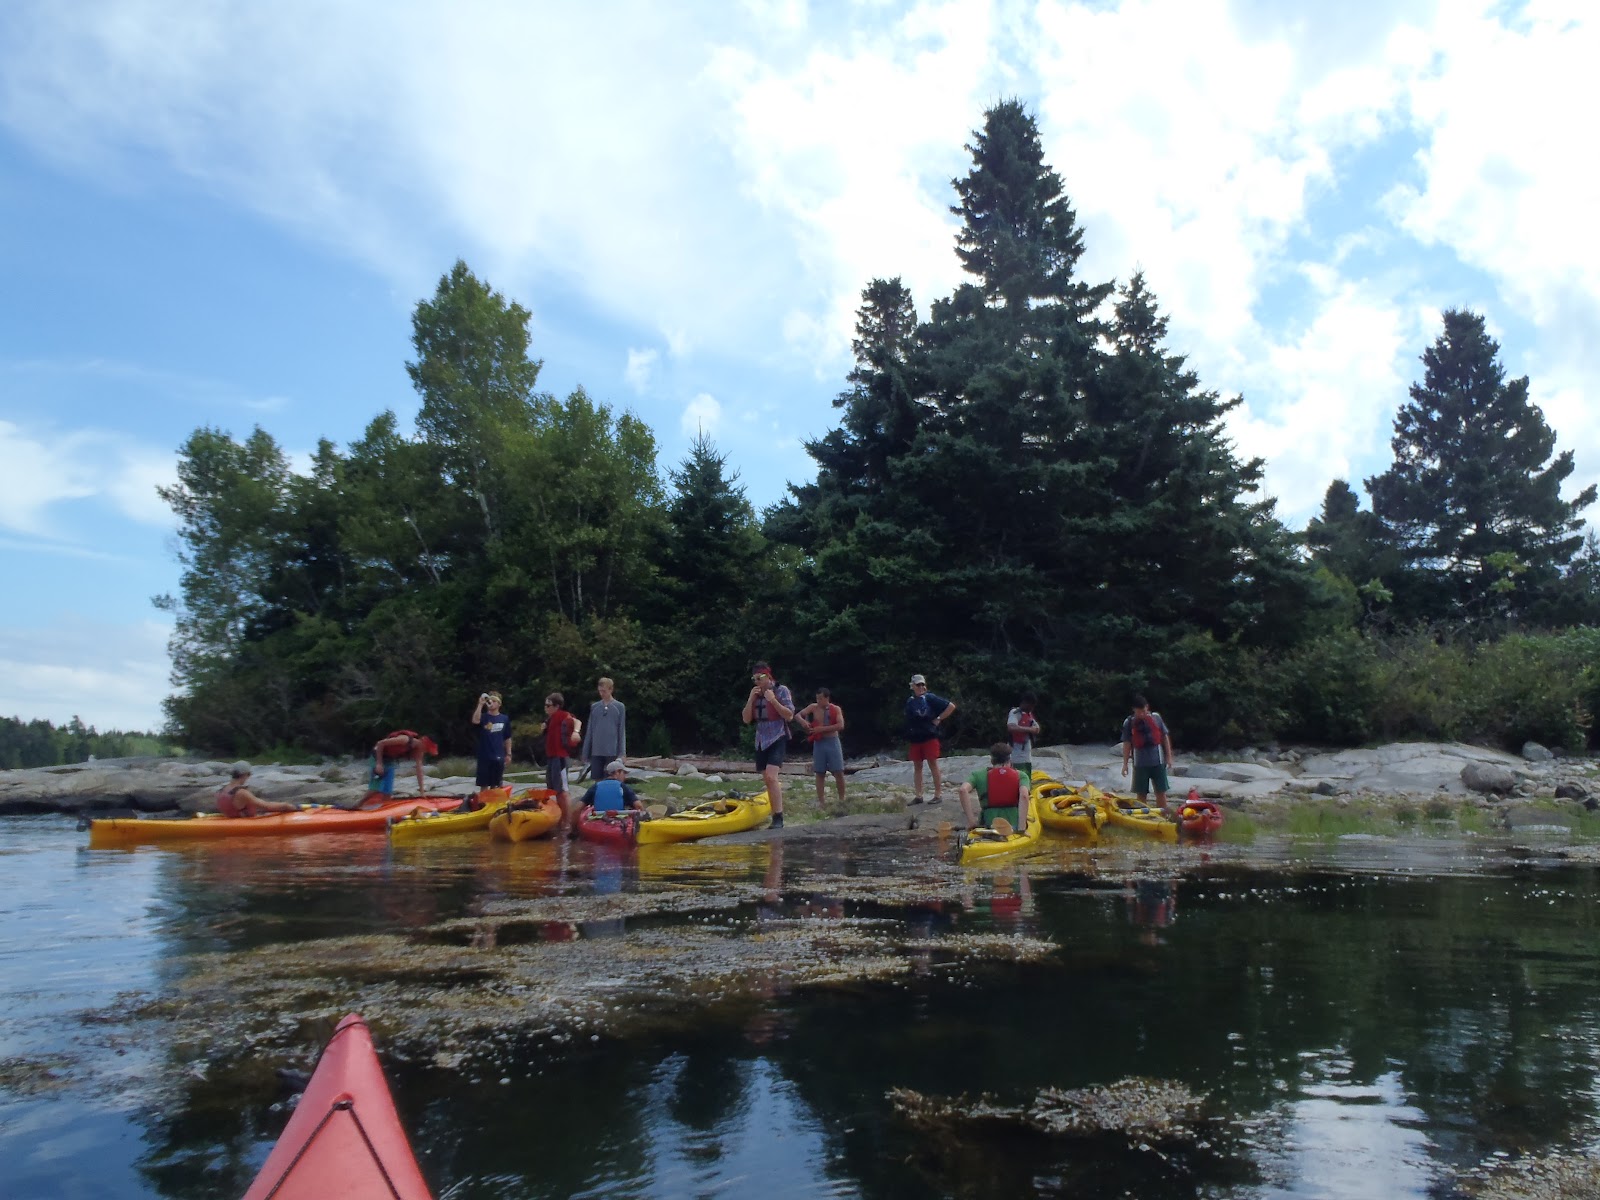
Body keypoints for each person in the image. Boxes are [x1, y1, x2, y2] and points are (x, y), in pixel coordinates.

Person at [741, 662, 794, 829]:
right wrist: (751, 699)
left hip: (777, 736)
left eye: (760, 678)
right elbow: (746, 719)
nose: (757, 681)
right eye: (754, 679)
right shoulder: (755, 694)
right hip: (761, 739)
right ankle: (774, 814)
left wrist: (773, 701)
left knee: (772, 776)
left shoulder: (781, 690)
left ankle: (779, 818)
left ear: (768, 676)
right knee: (767, 779)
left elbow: (789, 715)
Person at [904, 674, 955, 805]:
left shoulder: (930, 698)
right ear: (913, 686)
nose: (920, 687)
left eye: (922, 684)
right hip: (916, 738)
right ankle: (919, 795)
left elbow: (951, 706)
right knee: (917, 766)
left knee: (933, 764)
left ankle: (938, 794)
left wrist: (939, 718)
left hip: (929, 736)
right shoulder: (910, 701)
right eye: (918, 685)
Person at [957, 742, 1029, 834]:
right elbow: (1024, 796)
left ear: (991, 760)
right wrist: (1022, 829)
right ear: (1009, 759)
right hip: (1013, 825)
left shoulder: (978, 775)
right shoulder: (1021, 775)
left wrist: (972, 821)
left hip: (988, 825)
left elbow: (963, 790)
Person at [1120, 694, 1175, 812]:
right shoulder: (1128, 723)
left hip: (1158, 762)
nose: (1141, 714)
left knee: (1161, 792)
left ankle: (1163, 815)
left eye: (1143, 711)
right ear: (1134, 709)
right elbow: (1127, 744)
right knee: (1141, 793)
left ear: (1147, 707)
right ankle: (1143, 816)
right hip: (1140, 764)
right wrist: (1125, 764)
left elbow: (1165, 737)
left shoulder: (1156, 718)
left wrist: (1169, 757)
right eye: (1139, 711)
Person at [796, 687, 846, 809]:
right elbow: (798, 715)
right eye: (817, 698)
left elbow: (840, 725)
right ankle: (821, 801)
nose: (818, 701)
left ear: (827, 698)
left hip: (832, 741)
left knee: (838, 771)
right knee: (819, 772)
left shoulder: (835, 709)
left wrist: (822, 729)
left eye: (821, 699)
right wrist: (804, 723)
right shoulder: (813, 707)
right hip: (819, 743)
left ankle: (842, 799)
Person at [363, 730, 439, 806]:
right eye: (427, 749)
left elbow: (419, 770)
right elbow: (380, 743)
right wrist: (379, 764)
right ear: (423, 743)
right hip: (377, 757)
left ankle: (383, 809)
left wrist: (422, 792)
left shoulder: (419, 751)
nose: (426, 751)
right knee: (375, 789)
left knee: (388, 792)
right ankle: (356, 806)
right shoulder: (404, 739)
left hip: (389, 760)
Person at [543, 693, 583, 832]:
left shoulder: (563, 715)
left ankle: (567, 822)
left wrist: (576, 732)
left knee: (563, 791)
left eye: (548, 705)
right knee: (554, 790)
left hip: (560, 758)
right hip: (552, 757)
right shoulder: (551, 719)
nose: (545, 708)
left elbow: (577, 721)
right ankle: (560, 819)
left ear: (556, 706)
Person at [580, 677, 627, 780]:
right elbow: (590, 730)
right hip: (596, 751)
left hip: (612, 751)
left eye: (604, 691)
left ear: (611, 690)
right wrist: (585, 752)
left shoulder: (619, 707)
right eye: (600, 691)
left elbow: (621, 730)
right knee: (596, 779)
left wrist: (622, 753)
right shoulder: (595, 707)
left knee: (611, 778)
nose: (602, 694)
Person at [215, 763, 297, 818]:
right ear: (245, 774)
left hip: (232, 821)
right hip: (245, 824)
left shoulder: (220, 791)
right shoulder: (242, 793)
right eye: (249, 774)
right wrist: (286, 805)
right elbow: (267, 806)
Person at [471, 691, 513, 790]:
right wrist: (480, 704)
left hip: (498, 755)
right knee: (484, 785)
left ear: (499, 704)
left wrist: (509, 753)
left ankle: (494, 804)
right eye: (490, 701)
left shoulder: (504, 718)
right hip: (484, 755)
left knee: (496, 785)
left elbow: (507, 737)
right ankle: (483, 804)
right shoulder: (484, 717)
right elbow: (475, 721)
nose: (491, 703)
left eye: (494, 701)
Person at [577, 761, 646, 814]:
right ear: (617, 772)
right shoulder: (623, 787)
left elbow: (578, 807)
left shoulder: (595, 787)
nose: (625, 776)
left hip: (598, 823)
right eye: (623, 773)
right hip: (618, 823)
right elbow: (638, 806)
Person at [1006, 692, 1041, 790]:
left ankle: (1027, 790)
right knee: (1018, 772)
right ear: (1026, 703)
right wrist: (1029, 729)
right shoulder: (1015, 713)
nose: (1032, 708)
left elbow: (1037, 729)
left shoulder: (1029, 715)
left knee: (1027, 771)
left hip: (1026, 750)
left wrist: (1030, 729)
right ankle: (1017, 790)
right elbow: (1011, 727)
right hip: (1016, 750)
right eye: (1031, 705)